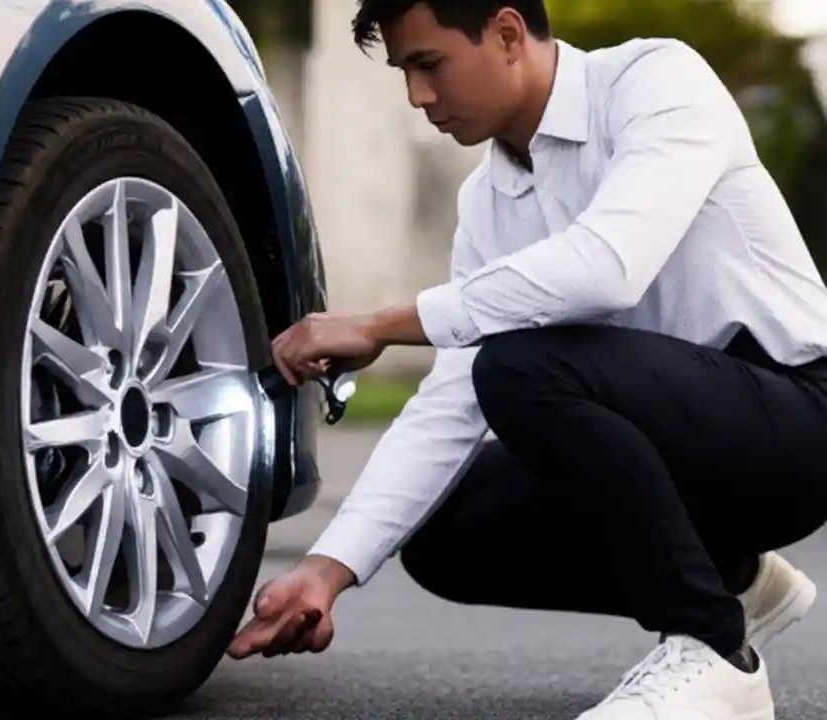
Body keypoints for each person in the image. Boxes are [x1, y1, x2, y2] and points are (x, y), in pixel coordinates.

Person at [226, 1, 827, 718]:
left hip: (797, 424)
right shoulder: (489, 198)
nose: (418, 97)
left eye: (429, 65)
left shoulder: (655, 83)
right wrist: (328, 570)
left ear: (508, 34)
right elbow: (451, 402)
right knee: (446, 527)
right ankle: (733, 577)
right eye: (404, 73)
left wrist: (384, 324)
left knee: (519, 366)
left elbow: (607, 266)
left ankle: (714, 653)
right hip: (684, 454)